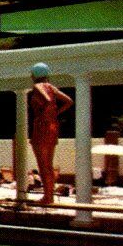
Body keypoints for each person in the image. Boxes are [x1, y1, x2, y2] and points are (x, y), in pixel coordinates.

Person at [29, 63, 73, 205]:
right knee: (48, 165)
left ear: (34, 75)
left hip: (42, 127)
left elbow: (47, 99)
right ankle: (49, 197)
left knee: (43, 166)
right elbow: (68, 101)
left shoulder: (38, 86)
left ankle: (47, 197)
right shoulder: (52, 87)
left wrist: (43, 113)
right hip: (53, 126)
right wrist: (55, 113)